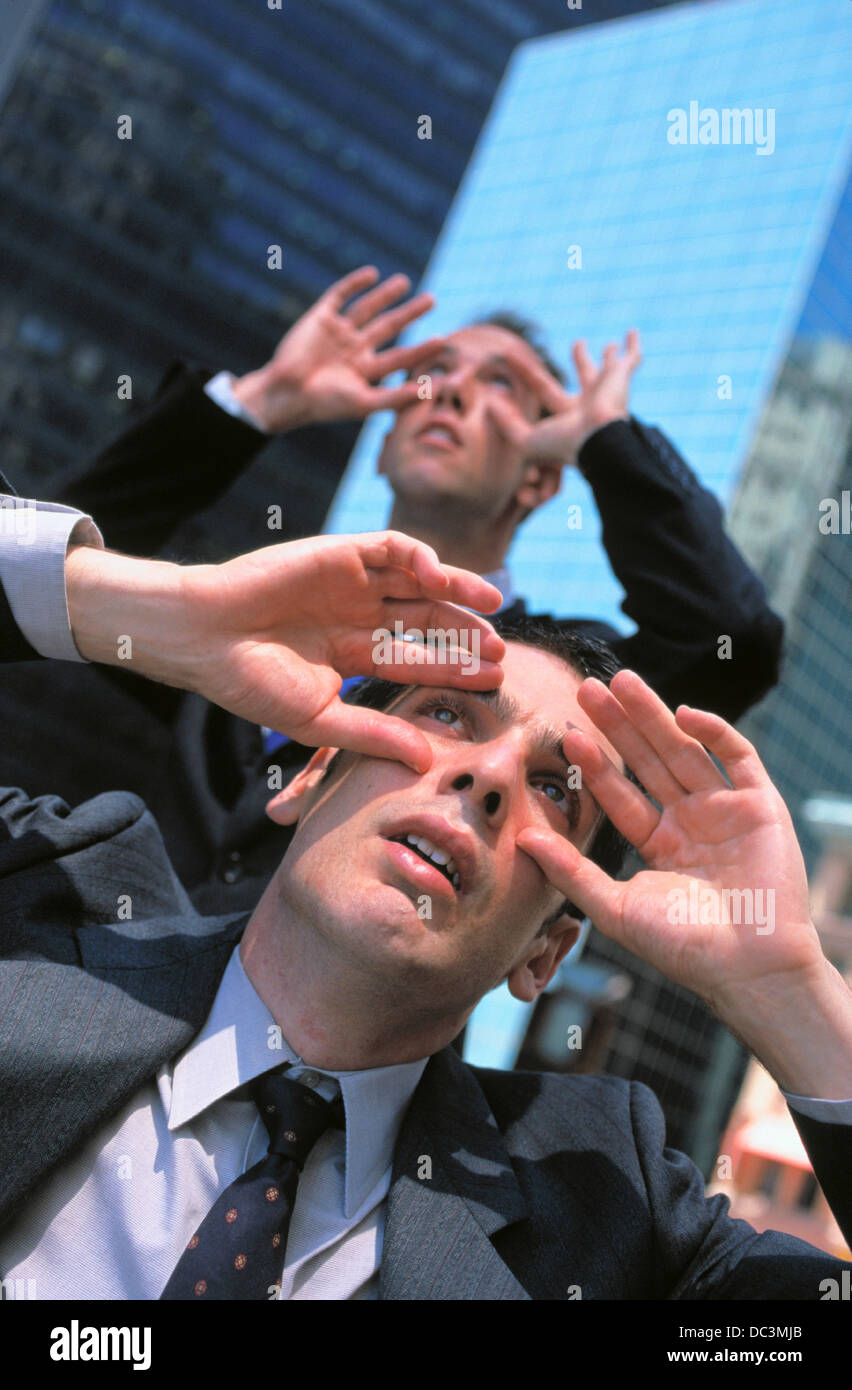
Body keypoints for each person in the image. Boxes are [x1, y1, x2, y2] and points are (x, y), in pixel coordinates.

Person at [0, 511, 849, 1300]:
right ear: (307, 778)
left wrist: (786, 990)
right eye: (448, 712)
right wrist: (149, 605)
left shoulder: (611, 1209)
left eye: (557, 789)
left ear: (545, 954)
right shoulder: (40, 896)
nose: (489, 775)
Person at [24, 267, 783, 911]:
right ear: (383, 443)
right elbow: (49, 561)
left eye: (502, 387)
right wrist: (265, 401)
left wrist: (604, 441)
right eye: (435, 371)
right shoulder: (249, 604)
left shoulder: (559, 682)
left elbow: (729, 637)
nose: (450, 392)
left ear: (540, 478)